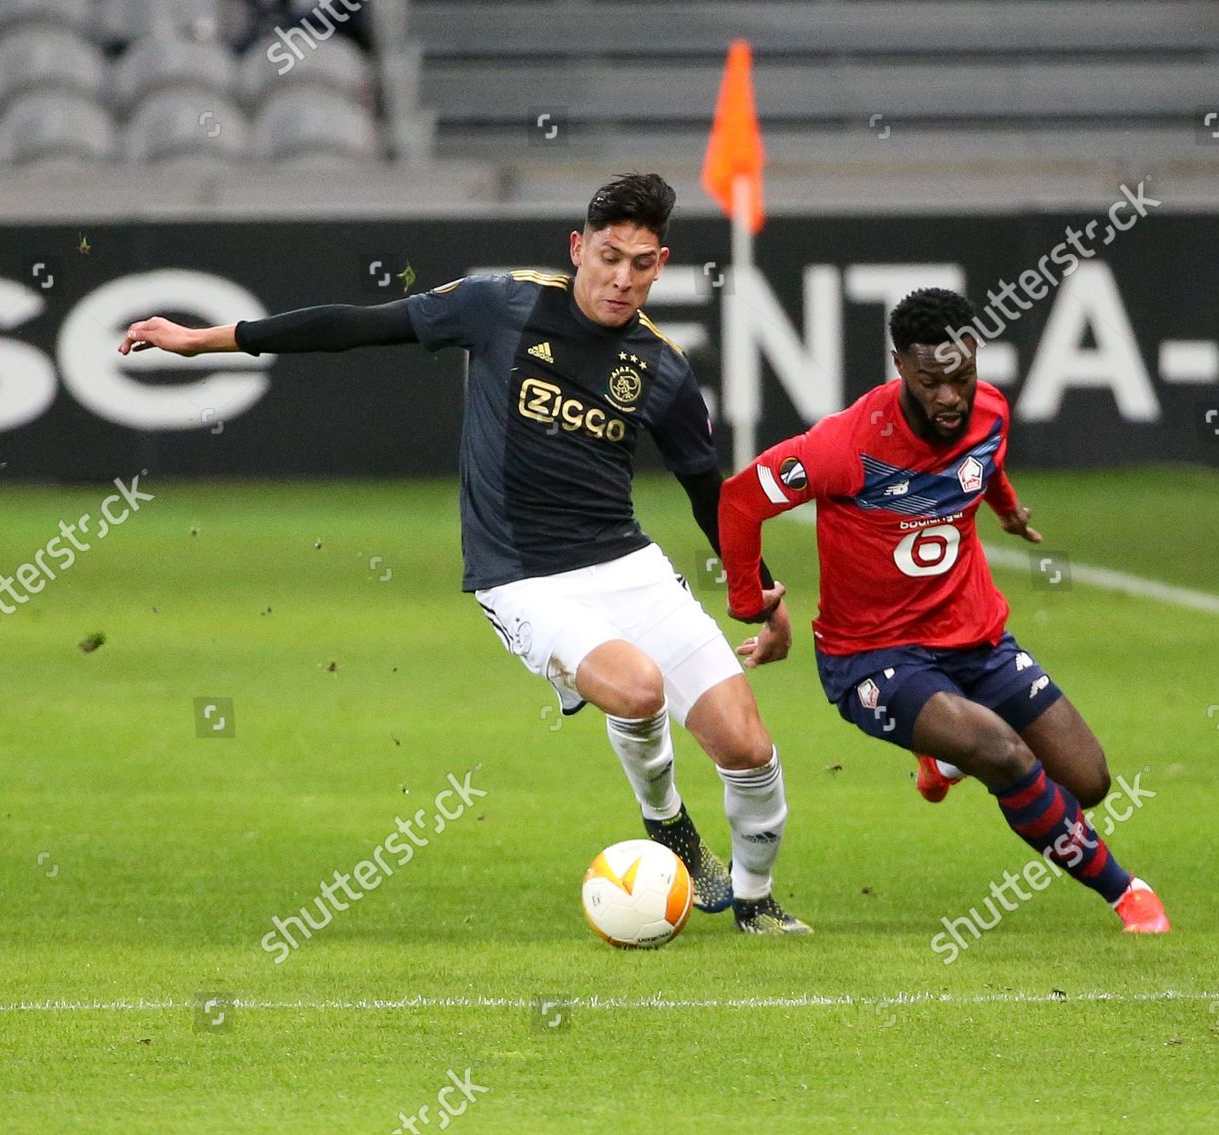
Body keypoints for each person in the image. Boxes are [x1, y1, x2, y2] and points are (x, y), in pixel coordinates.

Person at [118, 173, 809, 935]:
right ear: (577, 248)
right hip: (522, 575)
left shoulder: (663, 368)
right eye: (608, 256)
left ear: (661, 264)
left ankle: (755, 900)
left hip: (626, 564)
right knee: (638, 688)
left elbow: (709, 494)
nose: (621, 278)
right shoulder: (500, 304)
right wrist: (208, 340)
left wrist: (761, 596)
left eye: (641, 264)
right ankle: (668, 821)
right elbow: (358, 324)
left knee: (747, 745)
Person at [718, 287, 1169, 935]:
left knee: (1089, 779)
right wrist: (749, 603)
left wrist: (1007, 509)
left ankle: (942, 754)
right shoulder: (846, 446)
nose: (951, 396)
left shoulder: (988, 411)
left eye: (962, 376)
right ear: (900, 365)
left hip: (974, 636)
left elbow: (984, 466)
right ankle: (1127, 893)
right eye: (932, 381)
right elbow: (739, 501)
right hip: (871, 656)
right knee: (1003, 752)